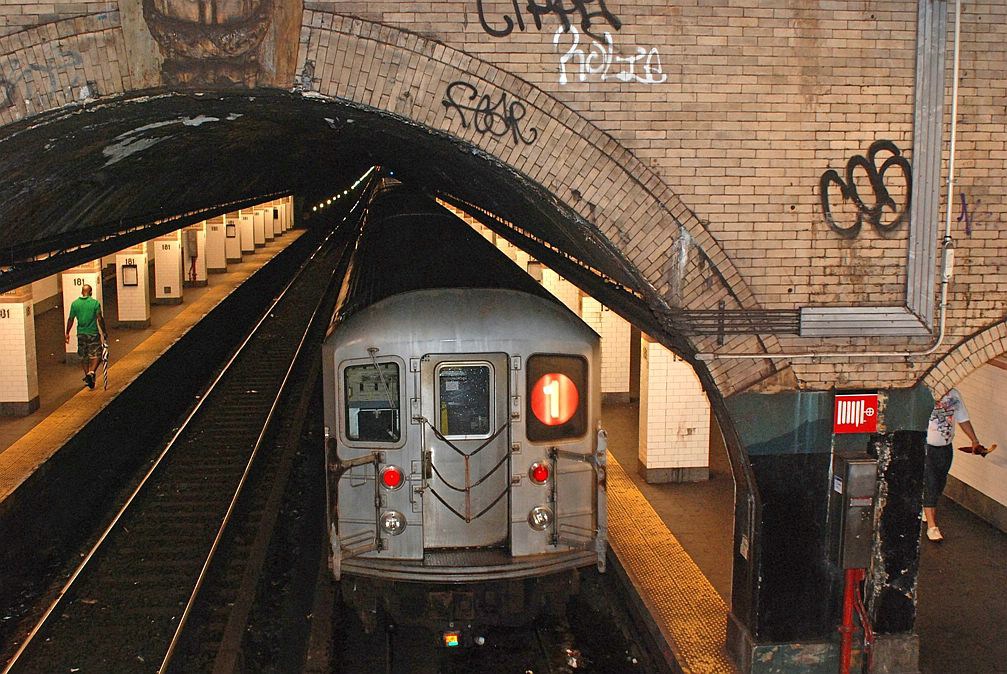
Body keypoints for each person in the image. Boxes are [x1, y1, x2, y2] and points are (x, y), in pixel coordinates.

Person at [923, 388, 988, 542]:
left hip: (946, 447)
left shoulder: (955, 395)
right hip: (927, 447)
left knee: (939, 483)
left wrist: (974, 440)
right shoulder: (926, 394)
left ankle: (926, 505)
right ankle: (932, 527)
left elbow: (963, 418)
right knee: (930, 483)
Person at [64, 284, 107, 390]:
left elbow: (71, 319)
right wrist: (104, 332)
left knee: (83, 356)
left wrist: (67, 332)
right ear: (91, 292)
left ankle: (87, 374)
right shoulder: (95, 303)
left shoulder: (75, 304)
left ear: (81, 292)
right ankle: (91, 373)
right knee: (97, 354)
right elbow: (100, 319)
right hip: (93, 333)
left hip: (81, 333)